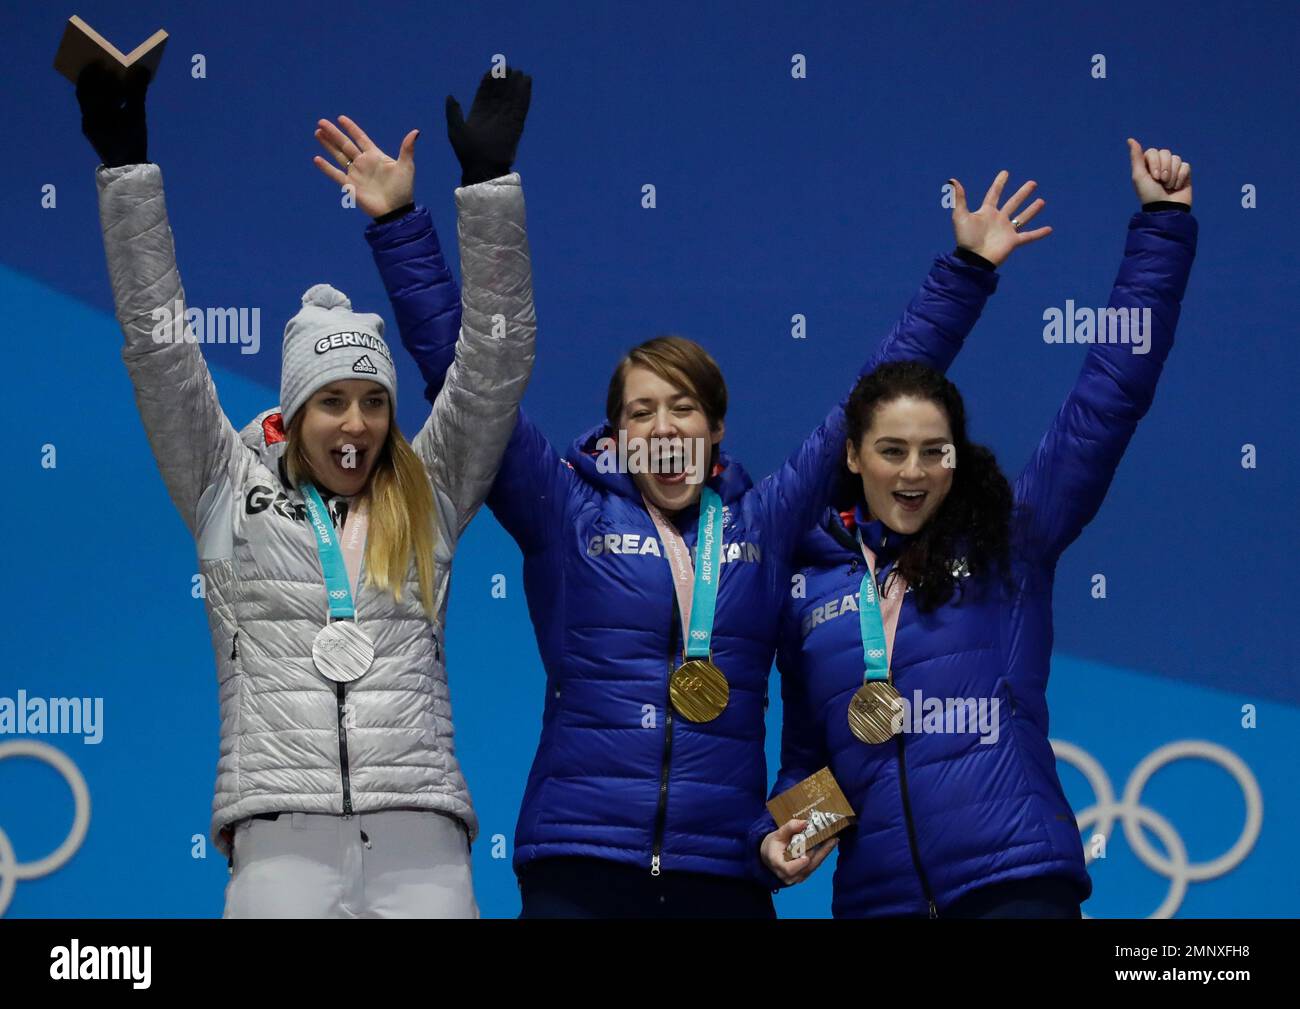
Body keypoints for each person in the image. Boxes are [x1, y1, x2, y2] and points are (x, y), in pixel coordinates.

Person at [375, 91, 1053, 914]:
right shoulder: (562, 508)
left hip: (722, 881)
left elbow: (872, 398)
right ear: (615, 436)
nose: (663, 425)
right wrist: (420, 216)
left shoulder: (765, 526)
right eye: (640, 410)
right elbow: (468, 381)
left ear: (717, 428)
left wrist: (968, 271)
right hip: (578, 864)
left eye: (683, 406)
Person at [75, 61, 535, 917]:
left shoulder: (426, 490)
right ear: (294, 411)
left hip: (421, 837)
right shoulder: (224, 490)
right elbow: (161, 349)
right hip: (278, 835)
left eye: (372, 403)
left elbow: (495, 366)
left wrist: (488, 187)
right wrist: (127, 165)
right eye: (332, 401)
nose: (356, 424)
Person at [754, 140, 1197, 918]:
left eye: (935, 451)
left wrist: (1160, 227)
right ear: (853, 456)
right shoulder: (808, 584)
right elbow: (815, 757)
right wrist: (789, 835)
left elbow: (1109, 396)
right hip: (877, 905)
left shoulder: (1009, 544)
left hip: (1013, 887)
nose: (913, 472)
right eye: (892, 451)